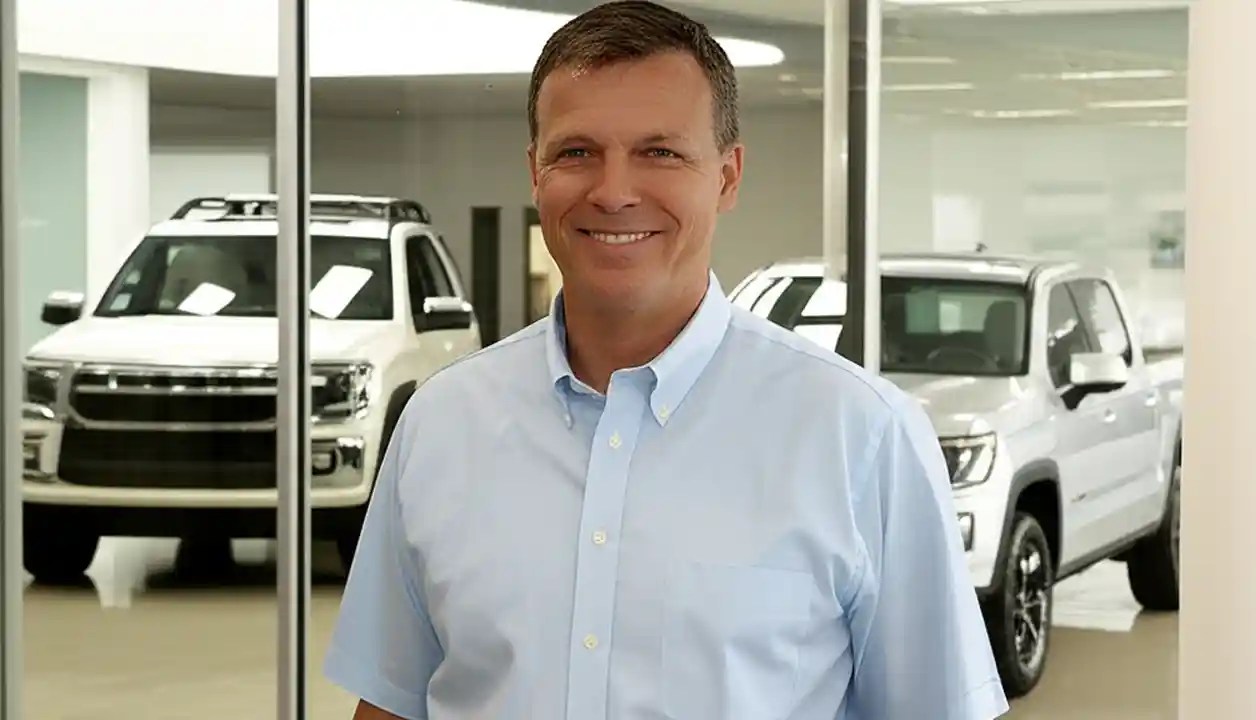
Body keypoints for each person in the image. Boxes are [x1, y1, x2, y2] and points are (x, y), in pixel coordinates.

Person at [323, 2, 1009, 718]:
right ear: (536, 173)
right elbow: (394, 701)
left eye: (661, 152)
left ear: (727, 176)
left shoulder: (861, 436)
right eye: (577, 151)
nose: (614, 191)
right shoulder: (442, 422)